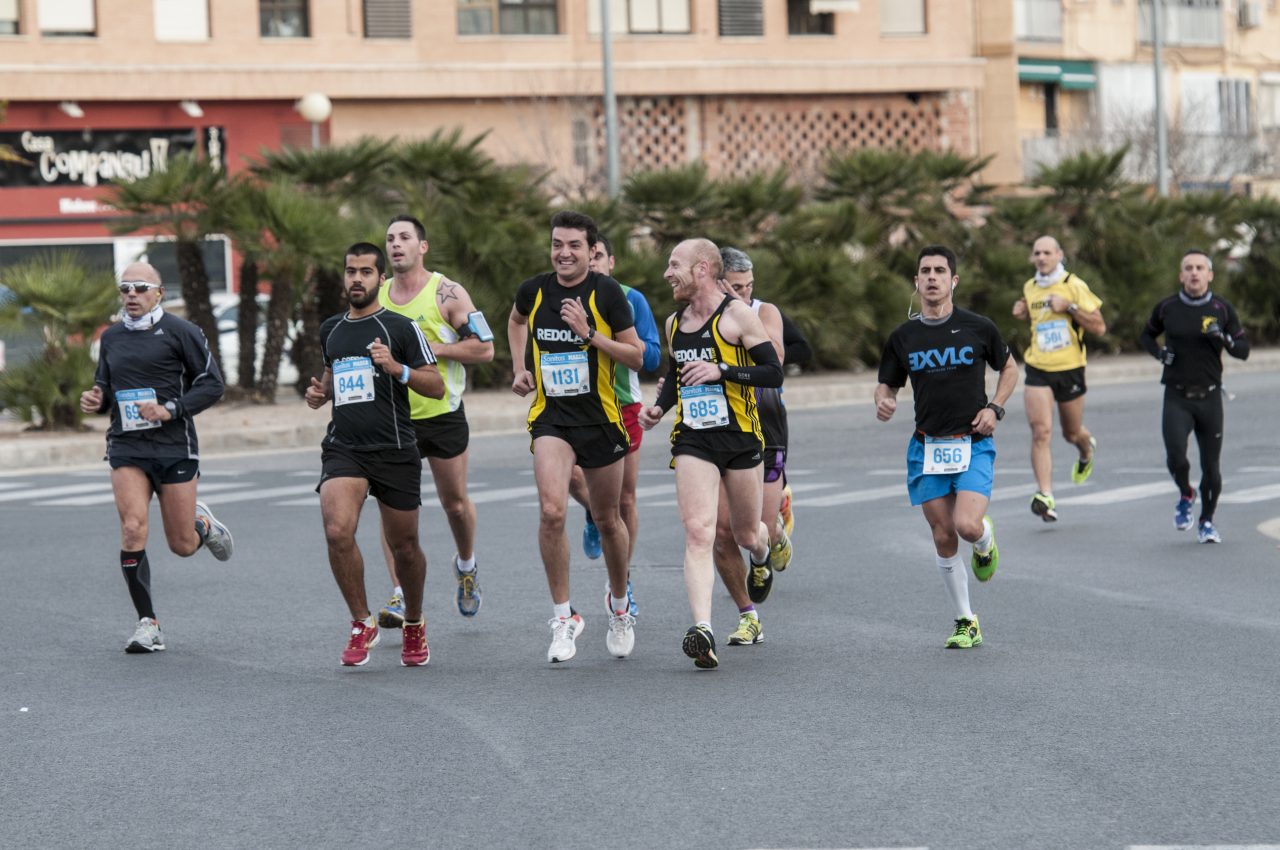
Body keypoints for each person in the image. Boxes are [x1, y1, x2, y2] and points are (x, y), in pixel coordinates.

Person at [507, 211, 646, 663]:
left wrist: (589, 335)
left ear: (591, 251)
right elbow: (515, 321)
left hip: (602, 420)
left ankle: (620, 605)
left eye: (574, 246)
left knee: (608, 519)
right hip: (552, 418)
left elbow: (637, 356)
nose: (564, 253)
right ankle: (564, 617)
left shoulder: (607, 293)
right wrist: (520, 368)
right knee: (551, 512)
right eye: (557, 244)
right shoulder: (535, 290)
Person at [638, 238, 783, 669]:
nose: (667, 273)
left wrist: (723, 370)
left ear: (702, 268)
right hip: (694, 438)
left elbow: (773, 371)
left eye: (674, 265)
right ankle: (702, 629)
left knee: (745, 534)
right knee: (700, 531)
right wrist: (659, 409)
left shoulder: (736, 315)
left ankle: (763, 554)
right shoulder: (674, 323)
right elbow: (676, 373)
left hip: (739, 437)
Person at [79, 261, 234, 653]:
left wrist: (171, 409)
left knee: (181, 544)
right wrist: (96, 401)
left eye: (140, 287)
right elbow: (105, 388)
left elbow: (213, 385)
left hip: (173, 445)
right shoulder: (111, 337)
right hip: (127, 445)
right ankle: (147, 622)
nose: (131, 294)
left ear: (158, 292)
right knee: (133, 528)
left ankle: (201, 523)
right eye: (125, 288)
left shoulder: (182, 332)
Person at [305, 243, 444, 667]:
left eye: (366, 272)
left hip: (396, 448)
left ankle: (415, 622)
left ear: (380, 279)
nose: (357, 279)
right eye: (351, 271)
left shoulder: (400, 328)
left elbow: (436, 385)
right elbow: (332, 379)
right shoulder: (332, 329)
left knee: (405, 546)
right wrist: (319, 393)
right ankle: (361, 622)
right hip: (345, 447)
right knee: (336, 530)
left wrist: (396, 368)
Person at [875, 245, 1018, 649]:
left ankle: (985, 540)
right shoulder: (903, 337)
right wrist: (882, 399)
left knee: (967, 526)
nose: (932, 277)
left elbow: (1009, 367)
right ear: (917, 281)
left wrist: (996, 407)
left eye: (940, 271)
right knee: (943, 536)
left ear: (953, 280)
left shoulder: (978, 326)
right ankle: (965, 620)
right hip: (927, 447)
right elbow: (886, 382)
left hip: (972, 443)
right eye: (925, 271)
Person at [374, 215, 495, 629]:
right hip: (392, 417)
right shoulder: (377, 294)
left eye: (405, 238)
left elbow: (484, 349)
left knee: (455, 504)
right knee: (392, 510)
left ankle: (466, 565)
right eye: (390, 239)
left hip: (441, 413)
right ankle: (399, 591)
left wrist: (433, 349)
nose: (396, 245)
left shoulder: (447, 292)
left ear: (422, 246)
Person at [567, 234, 661, 617]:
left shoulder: (629, 299)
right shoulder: (562, 296)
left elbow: (651, 356)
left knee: (625, 500)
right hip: (572, 407)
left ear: (611, 261)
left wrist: (599, 338)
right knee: (573, 479)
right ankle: (594, 512)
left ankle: (621, 580)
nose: (592, 263)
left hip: (621, 404)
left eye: (599, 256)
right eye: (587, 257)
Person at [710, 246, 794, 647]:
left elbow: (774, 359)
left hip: (766, 427)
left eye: (748, 287)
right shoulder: (700, 318)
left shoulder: (764, 312)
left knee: (756, 530)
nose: (744, 294)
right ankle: (748, 615)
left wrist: (742, 324)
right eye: (735, 288)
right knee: (722, 532)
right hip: (720, 430)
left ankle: (774, 538)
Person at [1138, 249, 1250, 543]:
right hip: (1176, 395)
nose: (1194, 273)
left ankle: (1207, 521)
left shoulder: (1222, 309)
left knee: (1211, 466)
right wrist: (1160, 354)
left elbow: (1244, 351)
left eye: (1200, 268)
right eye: (1188, 268)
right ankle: (1186, 493)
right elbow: (1146, 335)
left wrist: (1223, 338)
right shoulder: (1167, 308)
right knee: (1176, 456)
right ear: (1181, 275)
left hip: (1210, 397)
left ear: (1210, 274)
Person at [1011, 235, 1106, 522]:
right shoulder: (1030, 287)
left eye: (1047, 253)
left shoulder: (1073, 285)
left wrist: (1071, 308)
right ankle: (1045, 495)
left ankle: (1086, 449)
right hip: (1038, 367)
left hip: (1070, 368)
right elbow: (1040, 322)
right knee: (1041, 431)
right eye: (1036, 253)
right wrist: (1024, 312)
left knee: (1071, 432)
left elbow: (1099, 327)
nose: (1041, 257)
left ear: (1059, 255)